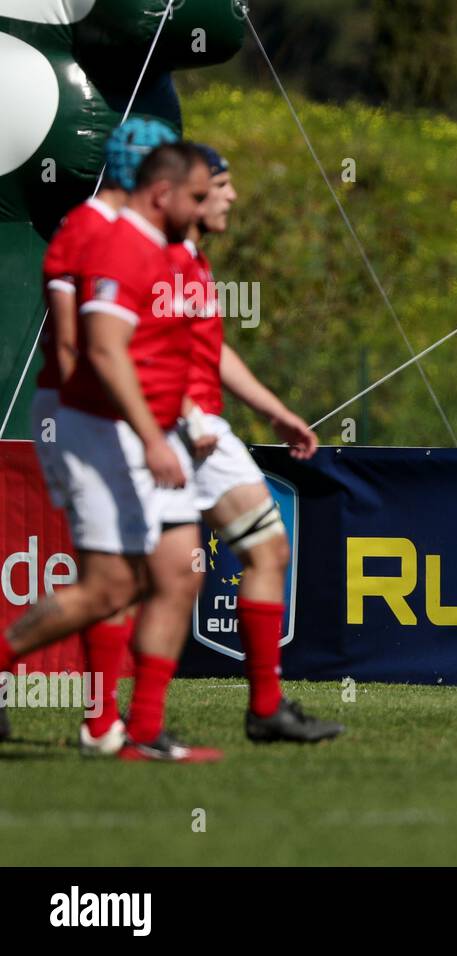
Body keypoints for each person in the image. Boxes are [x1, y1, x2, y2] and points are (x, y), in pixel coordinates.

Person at [0, 142, 221, 762]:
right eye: (198, 196)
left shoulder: (171, 252)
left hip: (148, 431)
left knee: (179, 570)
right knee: (106, 588)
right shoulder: (117, 244)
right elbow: (96, 349)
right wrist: (151, 436)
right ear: (161, 193)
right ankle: (107, 726)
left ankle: (138, 731)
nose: (207, 207)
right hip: (101, 428)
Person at [170, 143, 343, 743]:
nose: (233, 196)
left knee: (267, 549)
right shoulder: (158, 257)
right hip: (172, 429)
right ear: (188, 190)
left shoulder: (191, 260)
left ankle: (265, 708)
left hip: (202, 430)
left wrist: (276, 413)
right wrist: (187, 415)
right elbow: (139, 351)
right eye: (222, 184)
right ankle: (116, 723)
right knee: (121, 586)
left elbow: (209, 352)